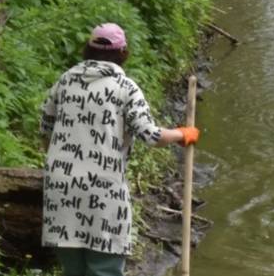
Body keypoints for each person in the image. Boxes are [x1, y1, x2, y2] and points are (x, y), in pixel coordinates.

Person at [40, 23, 199, 276]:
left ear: (87, 49)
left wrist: (59, 164)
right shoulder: (125, 87)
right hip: (103, 189)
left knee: (72, 269)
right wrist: (183, 134)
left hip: (61, 185)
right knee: (105, 269)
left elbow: (46, 128)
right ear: (123, 53)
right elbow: (151, 135)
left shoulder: (65, 81)